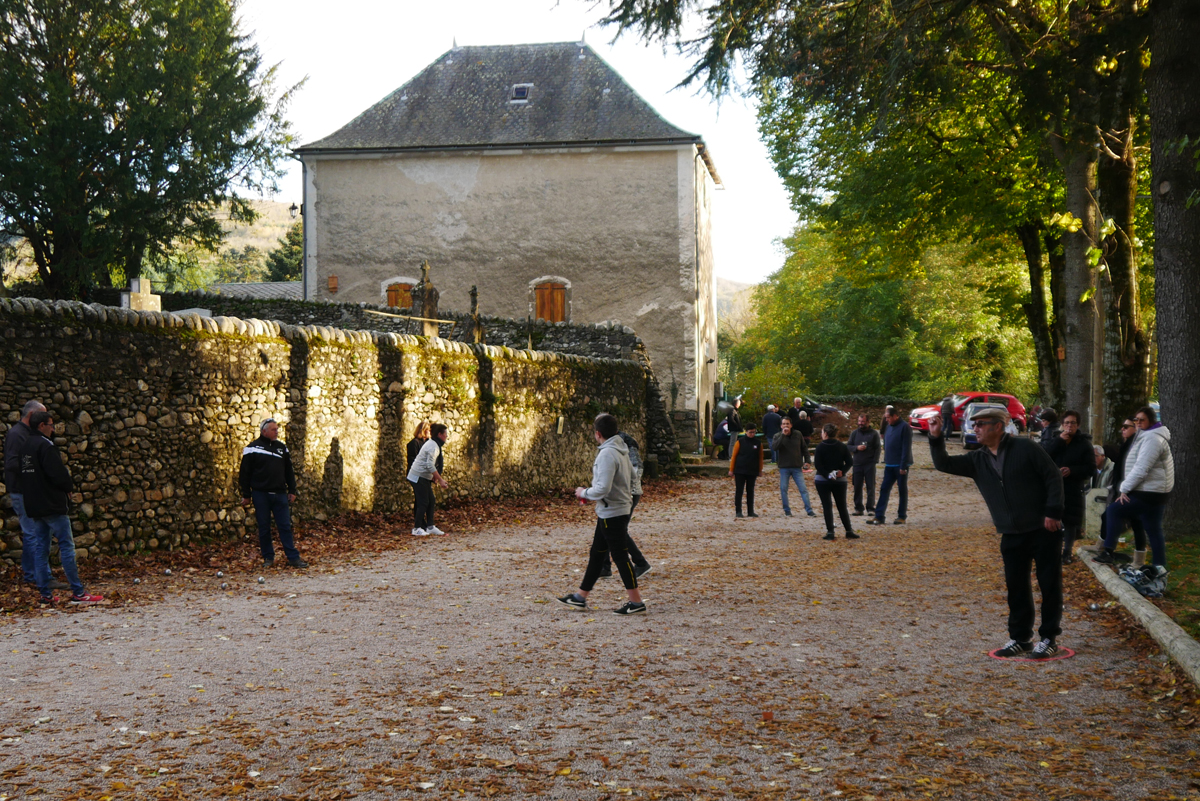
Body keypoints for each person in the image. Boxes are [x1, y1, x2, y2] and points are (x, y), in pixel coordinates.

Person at [928, 407, 1065, 659]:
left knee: (1049, 585)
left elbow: (1053, 476)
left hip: (1043, 529)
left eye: (981, 424)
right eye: (974, 424)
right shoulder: (977, 459)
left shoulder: (1026, 448)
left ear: (998, 426)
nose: (975, 428)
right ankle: (1020, 638)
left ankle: (1049, 638)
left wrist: (1053, 512)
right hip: (1011, 533)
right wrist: (935, 437)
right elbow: (943, 463)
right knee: (1016, 587)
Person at [558, 413, 646, 616]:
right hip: (615, 508)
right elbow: (633, 476)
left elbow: (602, 489)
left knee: (620, 557)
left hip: (612, 511)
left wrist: (584, 493)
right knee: (597, 554)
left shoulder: (607, 454)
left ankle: (636, 602)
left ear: (598, 434)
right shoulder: (623, 449)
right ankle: (580, 597)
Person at [19, 411, 103, 605]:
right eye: (50, 424)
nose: (53, 428)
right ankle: (78, 592)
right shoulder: (46, 446)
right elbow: (57, 473)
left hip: (34, 504)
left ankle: (45, 594)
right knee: (66, 545)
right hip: (52, 503)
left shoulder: (25, 447)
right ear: (41, 426)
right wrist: (68, 488)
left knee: (41, 547)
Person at [1095, 406, 1173, 571]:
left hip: (1150, 491)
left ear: (1151, 421)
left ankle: (1108, 552)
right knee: (1153, 528)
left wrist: (1124, 489)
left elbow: (1141, 468)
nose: (1138, 423)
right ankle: (1160, 568)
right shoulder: (1146, 436)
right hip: (1153, 490)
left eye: (1142, 420)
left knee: (1114, 510)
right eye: (1136, 420)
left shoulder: (1152, 439)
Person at [4, 399, 67, 591]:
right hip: (22, 491)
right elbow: (12, 463)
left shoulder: (25, 434)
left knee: (35, 534)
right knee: (34, 534)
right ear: (33, 416)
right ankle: (42, 577)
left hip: (28, 491)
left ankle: (33, 574)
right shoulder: (17, 435)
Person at [239, 418, 308, 568]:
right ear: (264, 431)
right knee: (264, 527)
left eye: (277, 429)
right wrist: (246, 495)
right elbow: (245, 474)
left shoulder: (281, 448)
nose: (276, 432)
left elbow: (289, 470)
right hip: (260, 494)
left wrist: (292, 490)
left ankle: (293, 558)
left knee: (285, 526)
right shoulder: (252, 449)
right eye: (273, 429)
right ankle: (268, 558)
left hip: (280, 494)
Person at [598, 432, 653, 579]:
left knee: (616, 530)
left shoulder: (626, 450)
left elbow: (636, 470)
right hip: (618, 496)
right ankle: (605, 567)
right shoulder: (615, 451)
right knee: (606, 529)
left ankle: (640, 563)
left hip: (625, 496)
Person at [1044, 410, 1094, 564]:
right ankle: (1052, 551)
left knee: (1071, 521)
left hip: (1073, 486)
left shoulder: (1084, 444)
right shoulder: (1054, 440)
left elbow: (1090, 468)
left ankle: (1067, 552)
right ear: (1062, 425)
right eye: (1066, 423)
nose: (1069, 426)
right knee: (1053, 519)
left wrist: (1072, 470)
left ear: (1078, 425)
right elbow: (1044, 457)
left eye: (1072, 423)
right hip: (1054, 486)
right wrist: (1059, 441)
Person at [868, 406, 912, 525]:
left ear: (895, 416)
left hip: (900, 465)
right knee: (884, 489)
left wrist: (903, 465)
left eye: (888, 417)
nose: (887, 420)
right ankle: (879, 515)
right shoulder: (888, 427)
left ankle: (901, 516)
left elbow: (906, 447)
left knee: (902, 490)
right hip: (890, 464)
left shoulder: (905, 427)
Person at [813, 424, 857, 540]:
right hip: (839, 479)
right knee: (842, 505)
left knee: (827, 505)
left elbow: (818, 465)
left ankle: (830, 531)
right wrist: (842, 471)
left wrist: (827, 474)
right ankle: (848, 530)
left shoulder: (820, 447)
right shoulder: (842, 446)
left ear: (825, 434)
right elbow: (849, 461)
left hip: (822, 479)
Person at [407, 423, 450, 537]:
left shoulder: (434, 444)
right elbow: (429, 464)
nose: (446, 437)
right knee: (423, 502)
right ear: (440, 434)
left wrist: (434, 477)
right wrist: (439, 479)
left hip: (423, 476)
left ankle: (430, 527)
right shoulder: (433, 446)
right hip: (417, 476)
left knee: (431, 500)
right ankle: (417, 528)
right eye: (445, 434)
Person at [772, 417, 816, 518]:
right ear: (781, 426)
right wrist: (783, 435)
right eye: (783, 424)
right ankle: (787, 510)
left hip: (797, 466)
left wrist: (808, 461)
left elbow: (804, 448)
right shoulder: (777, 436)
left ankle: (809, 510)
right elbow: (775, 447)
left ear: (791, 425)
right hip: (784, 467)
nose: (786, 426)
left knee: (803, 489)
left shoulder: (798, 434)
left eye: (787, 424)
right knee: (783, 489)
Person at [847, 414, 881, 516]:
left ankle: (870, 508)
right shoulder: (854, 433)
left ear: (868, 422)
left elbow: (878, 448)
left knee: (870, 486)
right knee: (857, 486)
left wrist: (874, 461)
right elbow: (848, 446)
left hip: (869, 464)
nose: (860, 423)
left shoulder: (874, 434)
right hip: (857, 464)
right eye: (859, 421)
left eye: (863, 421)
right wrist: (856, 448)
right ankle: (858, 508)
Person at [728, 422, 764, 518]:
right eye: (750, 432)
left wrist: (760, 470)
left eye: (754, 432)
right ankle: (738, 511)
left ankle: (750, 511)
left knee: (750, 491)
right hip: (740, 469)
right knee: (739, 490)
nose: (752, 434)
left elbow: (760, 457)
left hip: (752, 470)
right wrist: (731, 469)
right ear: (746, 432)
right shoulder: (740, 442)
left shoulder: (758, 443)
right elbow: (734, 456)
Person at [785, 399, 815, 467]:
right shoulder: (791, 410)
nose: (799, 404)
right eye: (797, 402)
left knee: (802, 450)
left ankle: (804, 462)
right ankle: (804, 462)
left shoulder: (804, 409)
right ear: (794, 403)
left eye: (799, 402)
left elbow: (809, 417)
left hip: (801, 436)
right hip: (803, 436)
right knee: (803, 449)